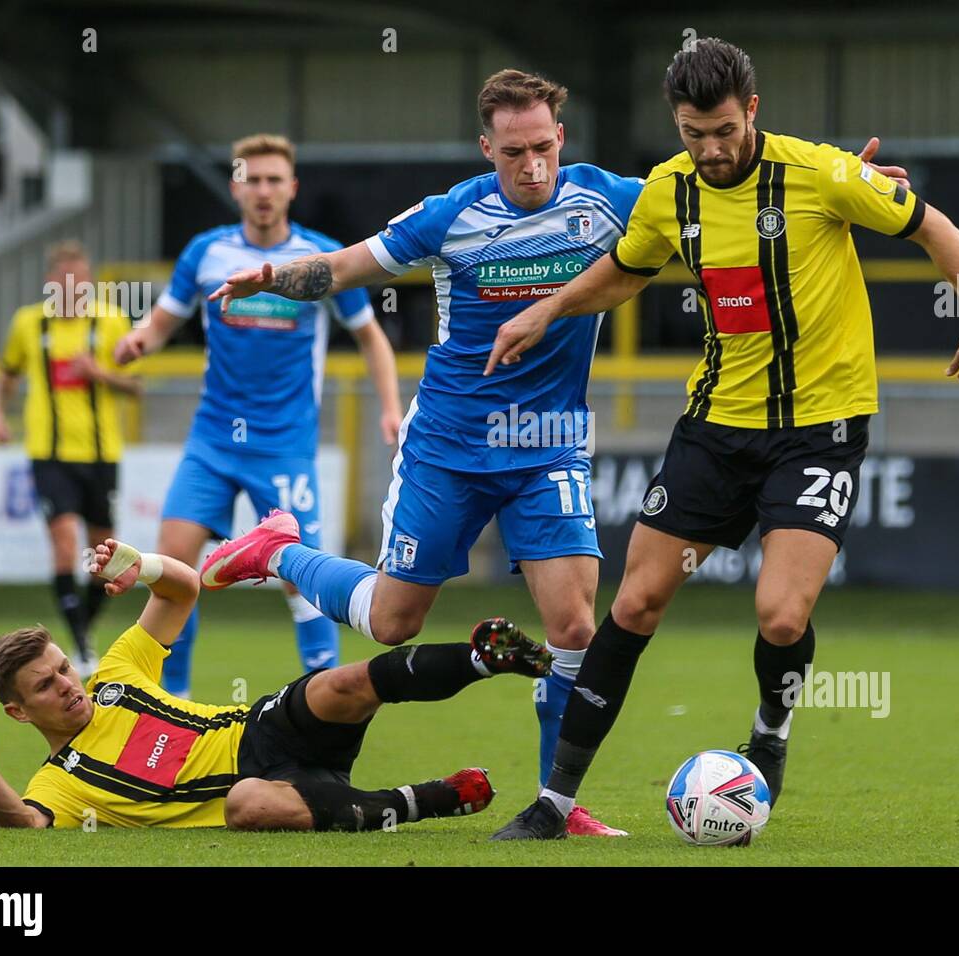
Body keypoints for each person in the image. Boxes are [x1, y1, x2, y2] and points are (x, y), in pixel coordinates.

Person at [210, 70, 908, 837]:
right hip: (449, 446)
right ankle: (279, 552)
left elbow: (726, 186)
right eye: (514, 152)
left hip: (550, 448)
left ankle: (557, 803)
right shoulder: (452, 214)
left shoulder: (611, 197)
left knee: (576, 627)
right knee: (394, 619)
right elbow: (349, 266)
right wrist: (274, 277)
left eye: (544, 147)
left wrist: (854, 181)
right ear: (487, 148)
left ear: (561, 139)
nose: (532, 165)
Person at [486, 38, 959, 839]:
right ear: (677, 124)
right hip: (716, 431)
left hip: (818, 435)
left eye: (725, 129)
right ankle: (555, 800)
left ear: (752, 110)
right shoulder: (669, 192)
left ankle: (771, 730)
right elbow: (627, 269)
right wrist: (548, 307)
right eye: (695, 133)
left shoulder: (821, 174)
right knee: (636, 601)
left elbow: (938, 229)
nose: (713, 148)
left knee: (781, 618)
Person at [0, 532, 549, 830]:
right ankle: (428, 799)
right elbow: (24, 827)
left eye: (64, 668)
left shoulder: (115, 674)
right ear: (18, 713)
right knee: (245, 805)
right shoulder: (61, 784)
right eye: (45, 687)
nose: (67, 684)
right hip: (261, 791)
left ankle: (487, 657)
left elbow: (184, 588)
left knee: (338, 685)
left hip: (261, 729)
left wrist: (139, 566)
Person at [113, 134, 402, 695]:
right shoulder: (205, 252)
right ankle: (172, 699)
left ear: (292, 189)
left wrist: (391, 408)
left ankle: (325, 698)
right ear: (235, 186)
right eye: (253, 179)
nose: (264, 191)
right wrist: (138, 341)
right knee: (173, 563)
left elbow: (371, 335)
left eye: (275, 180)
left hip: (284, 445)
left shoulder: (320, 259)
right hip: (212, 442)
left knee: (300, 575)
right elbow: (164, 322)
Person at [0, 240, 140, 674]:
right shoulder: (28, 324)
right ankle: (81, 647)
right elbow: (7, 372)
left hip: (101, 454)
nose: (73, 288)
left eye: (80, 280)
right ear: (50, 283)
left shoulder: (110, 321)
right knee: (62, 543)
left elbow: (136, 386)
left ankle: (81, 633)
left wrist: (99, 373)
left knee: (105, 559)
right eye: (64, 280)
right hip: (49, 454)